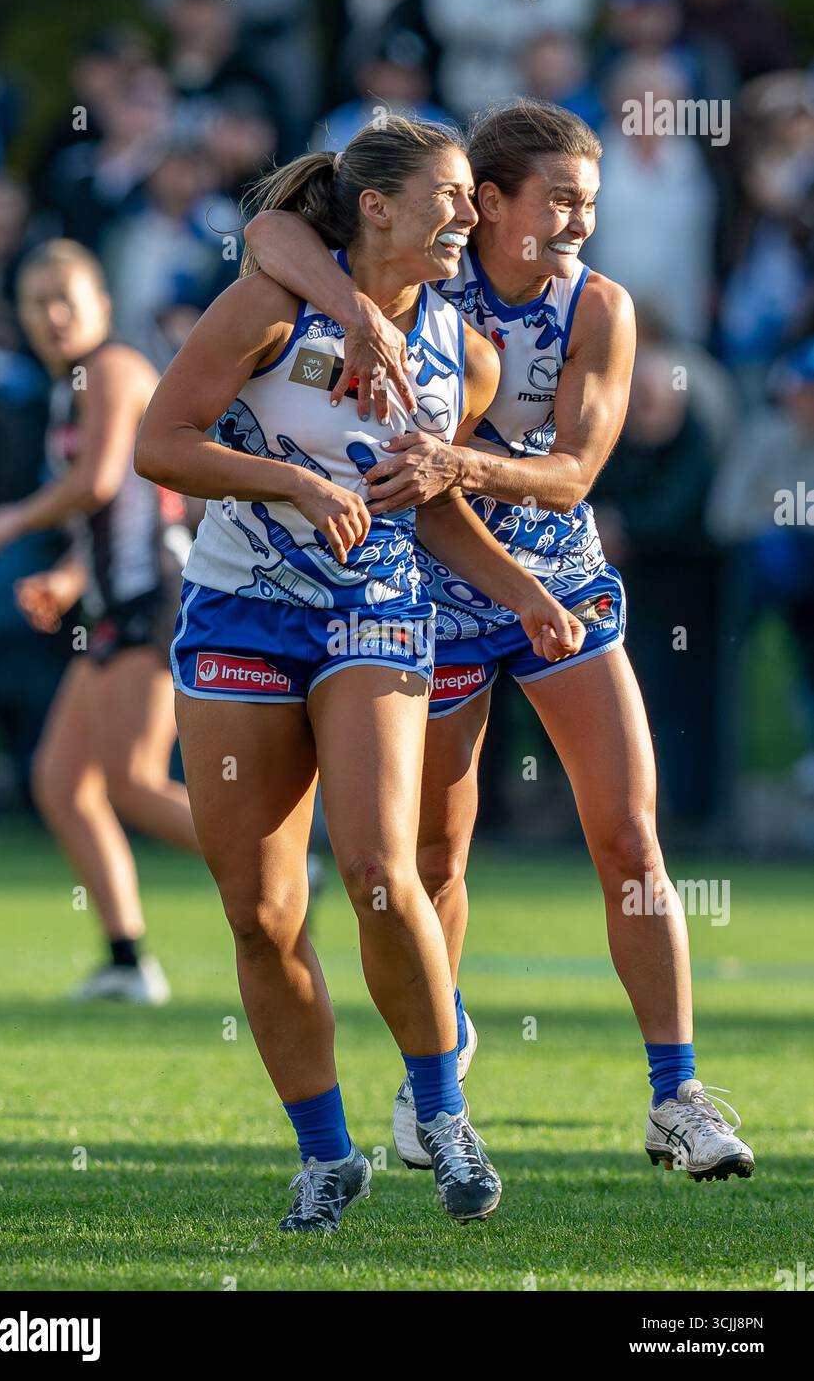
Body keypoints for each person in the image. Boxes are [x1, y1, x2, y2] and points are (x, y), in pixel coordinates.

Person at [244, 97, 756, 1183]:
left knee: (629, 836)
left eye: (591, 203)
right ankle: (438, 1072)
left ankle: (677, 1096)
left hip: (555, 583)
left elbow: (573, 473)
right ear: (488, 203)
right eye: (560, 200)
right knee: (431, 857)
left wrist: (455, 464)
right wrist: (359, 312)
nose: (579, 222)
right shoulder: (427, 266)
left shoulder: (598, 310)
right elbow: (268, 233)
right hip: (430, 592)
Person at [136, 117, 585, 1230]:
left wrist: (525, 593)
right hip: (239, 609)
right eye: (448, 196)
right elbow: (161, 442)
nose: (471, 217)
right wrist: (285, 484)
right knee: (260, 913)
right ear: (374, 206)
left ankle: (441, 1110)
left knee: (381, 866)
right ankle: (326, 1154)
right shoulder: (269, 304)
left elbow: (426, 502)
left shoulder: (465, 353)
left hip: (377, 611)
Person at [0, 239, 195, 1004]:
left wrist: (8, 522)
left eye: (65, 298)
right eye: (36, 301)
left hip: (153, 600)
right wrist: (67, 579)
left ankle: (276, 864)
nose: (51, 315)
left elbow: (99, 478)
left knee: (133, 783)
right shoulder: (67, 387)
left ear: (102, 306)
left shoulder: (110, 368)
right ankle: (127, 959)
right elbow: (106, 509)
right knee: (64, 782)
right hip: (111, 603)